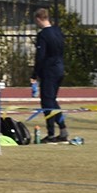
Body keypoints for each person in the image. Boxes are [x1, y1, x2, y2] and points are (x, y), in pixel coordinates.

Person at [33, 8, 69, 144]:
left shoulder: (43, 35)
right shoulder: (58, 31)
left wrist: (35, 73)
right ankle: (63, 129)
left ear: (38, 19)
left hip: (49, 71)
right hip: (59, 67)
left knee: (47, 102)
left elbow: (40, 56)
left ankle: (51, 133)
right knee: (52, 101)